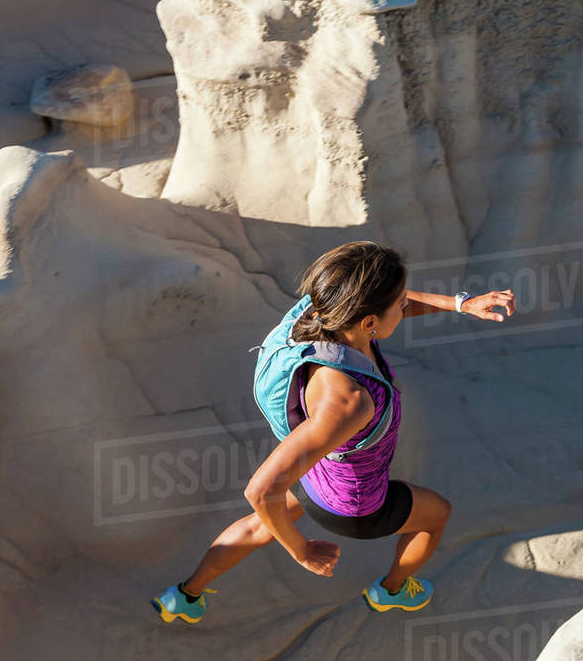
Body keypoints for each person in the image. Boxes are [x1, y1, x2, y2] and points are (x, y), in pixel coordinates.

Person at [151, 241, 515, 622]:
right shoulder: (349, 402)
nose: (405, 306)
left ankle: (183, 597)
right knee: (437, 514)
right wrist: (301, 551)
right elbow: (260, 490)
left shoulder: (319, 312)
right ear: (369, 323)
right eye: (399, 306)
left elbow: (387, 302)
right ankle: (390, 591)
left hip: (313, 474)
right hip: (353, 505)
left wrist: (461, 304)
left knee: (260, 526)